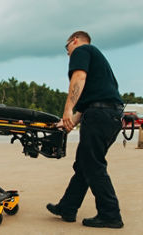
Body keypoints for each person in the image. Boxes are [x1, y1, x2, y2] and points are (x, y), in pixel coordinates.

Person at [46, 31, 124, 228]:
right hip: (108, 115)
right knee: (84, 164)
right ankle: (67, 207)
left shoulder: (82, 50)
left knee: (93, 164)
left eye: (67, 49)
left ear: (74, 41)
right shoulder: (99, 65)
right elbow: (88, 101)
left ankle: (110, 214)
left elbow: (78, 78)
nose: (68, 53)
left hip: (100, 116)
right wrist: (69, 122)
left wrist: (67, 110)